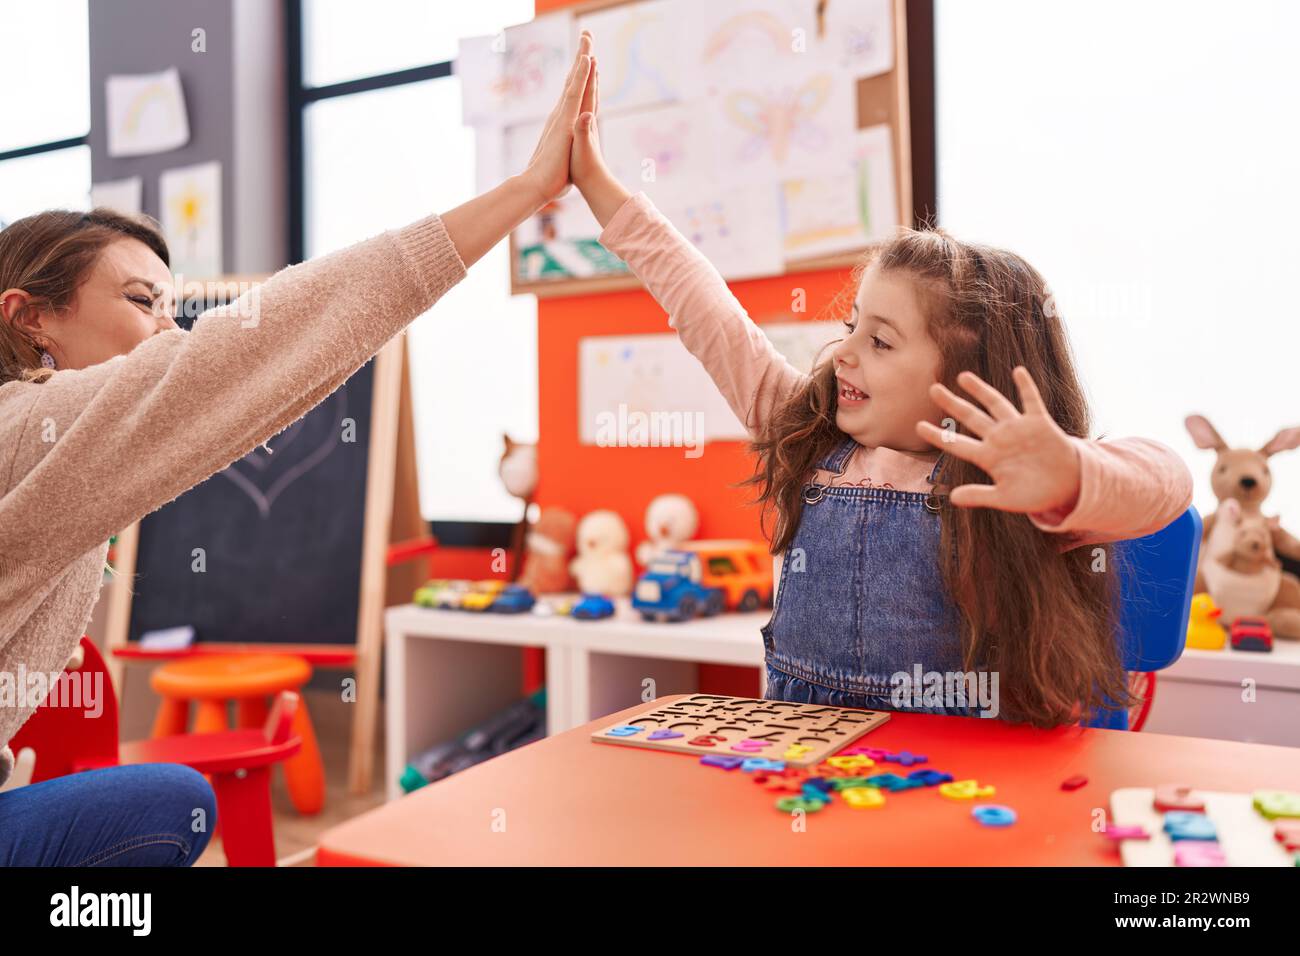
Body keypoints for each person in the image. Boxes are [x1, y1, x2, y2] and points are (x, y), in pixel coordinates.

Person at [0, 33, 599, 867]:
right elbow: (265, 340)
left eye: (174, 306)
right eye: (143, 302)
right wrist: (524, 191)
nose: (169, 329)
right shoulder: (32, 426)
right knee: (172, 803)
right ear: (32, 319)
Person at [567, 43, 1193, 727]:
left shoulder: (1015, 483)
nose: (844, 355)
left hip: (961, 791)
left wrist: (1070, 472)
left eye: (881, 341)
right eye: (851, 326)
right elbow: (701, 305)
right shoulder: (806, 430)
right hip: (809, 782)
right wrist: (596, 182)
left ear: (966, 378)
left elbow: (1167, 482)